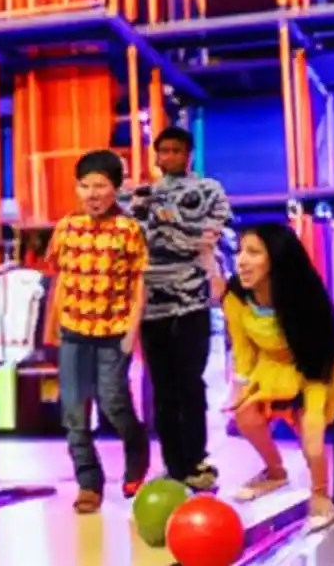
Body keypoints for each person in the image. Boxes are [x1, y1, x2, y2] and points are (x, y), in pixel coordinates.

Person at [212, 222, 334, 532]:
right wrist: (240, 387)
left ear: (276, 258)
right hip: (269, 368)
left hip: (312, 370)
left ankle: (320, 496)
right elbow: (243, 347)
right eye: (240, 252)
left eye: (253, 253)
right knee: (245, 416)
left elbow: (323, 352)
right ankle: (275, 473)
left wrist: (307, 402)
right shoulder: (236, 296)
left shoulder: (304, 296)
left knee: (312, 440)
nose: (242, 261)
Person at [125, 126, 232, 492]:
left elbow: (209, 237)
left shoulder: (208, 190)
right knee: (163, 389)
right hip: (153, 306)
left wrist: (173, 232)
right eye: (163, 151)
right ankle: (173, 464)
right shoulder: (143, 196)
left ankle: (196, 458)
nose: (168, 157)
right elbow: (136, 244)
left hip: (192, 302)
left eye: (176, 151)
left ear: (189, 154)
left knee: (190, 383)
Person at [45, 149, 150, 514]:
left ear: (115, 188)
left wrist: (131, 331)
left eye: (100, 185)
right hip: (73, 330)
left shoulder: (129, 231)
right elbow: (60, 278)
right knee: (73, 411)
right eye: (85, 186)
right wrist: (53, 326)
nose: (92, 193)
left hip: (113, 330)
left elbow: (139, 284)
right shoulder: (65, 228)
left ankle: (137, 452)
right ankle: (89, 483)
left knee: (114, 402)